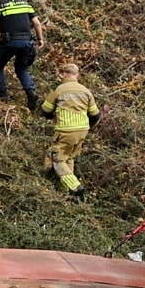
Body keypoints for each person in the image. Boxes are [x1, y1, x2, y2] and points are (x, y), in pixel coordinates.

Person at [40, 62, 100, 198]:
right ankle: (65, 192)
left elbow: (45, 110)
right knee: (69, 157)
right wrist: (87, 127)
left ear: (63, 74)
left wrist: (53, 116)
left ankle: (75, 187)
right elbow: (96, 115)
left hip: (66, 130)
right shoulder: (86, 91)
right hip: (82, 130)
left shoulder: (59, 90)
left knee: (57, 159)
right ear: (77, 75)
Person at [0, 0, 45, 111]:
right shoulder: (26, 5)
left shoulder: (1, 5)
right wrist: (40, 38)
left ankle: (3, 96)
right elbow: (36, 23)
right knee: (21, 68)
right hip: (27, 42)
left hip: (9, 42)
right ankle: (31, 93)